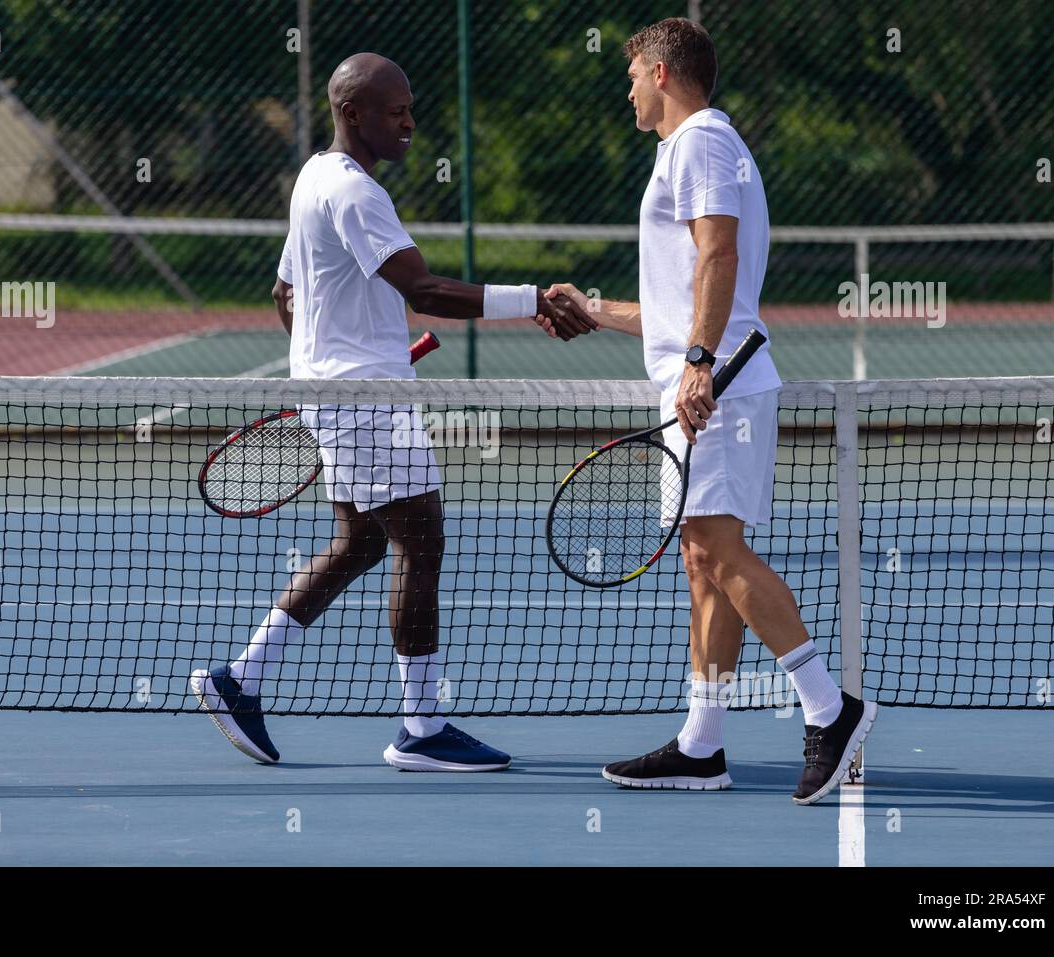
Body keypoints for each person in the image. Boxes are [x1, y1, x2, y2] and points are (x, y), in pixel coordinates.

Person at [191, 52, 598, 772]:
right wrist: (533, 299)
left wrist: (332, 360)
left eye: (410, 107)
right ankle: (420, 727)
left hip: (342, 396)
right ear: (351, 113)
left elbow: (286, 293)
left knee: (363, 544)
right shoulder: (352, 193)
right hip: (366, 405)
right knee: (420, 540)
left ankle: (241, 678)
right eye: (393, 110)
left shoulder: (314, 178)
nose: (409, 121)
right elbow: (426, 291)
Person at [547, 18, 875, 804]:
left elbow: (718, 253)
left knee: (721, 554)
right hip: (702, 378)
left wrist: (698, 363)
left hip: (718, 384)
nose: (626, 90)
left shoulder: (699, 141)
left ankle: (832, 709)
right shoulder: (686, 148)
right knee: (701, 560)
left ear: (661, 73)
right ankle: (703, 742)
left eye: (631, 76)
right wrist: (595, 309)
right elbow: (678, 294)